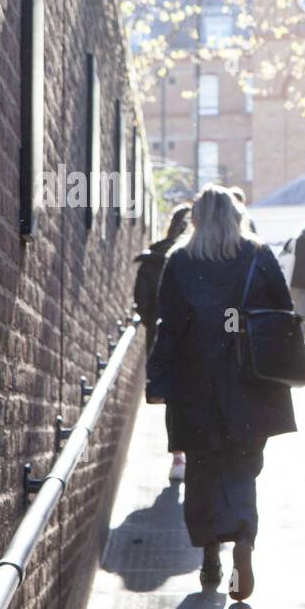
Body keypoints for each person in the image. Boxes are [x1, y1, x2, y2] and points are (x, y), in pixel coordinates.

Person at [145, 185, 297, 600]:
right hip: (251, 383)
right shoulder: (258, 255)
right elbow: (283, 313)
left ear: (197, 218)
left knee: (203, 469)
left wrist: (157, 379)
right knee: (244, 468)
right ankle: (243, 541)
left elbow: (169, 327)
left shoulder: (180, 260)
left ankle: (210, 553)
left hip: (196, 383)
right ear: (235, 215)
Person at [133, 203, 192, 480]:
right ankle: (192, 451)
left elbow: (142, 299)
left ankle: (178, 457)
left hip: (160, 336)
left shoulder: (154, 256)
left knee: (174, 398)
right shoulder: (193, 257)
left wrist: (154, 321)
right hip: (190, 337)